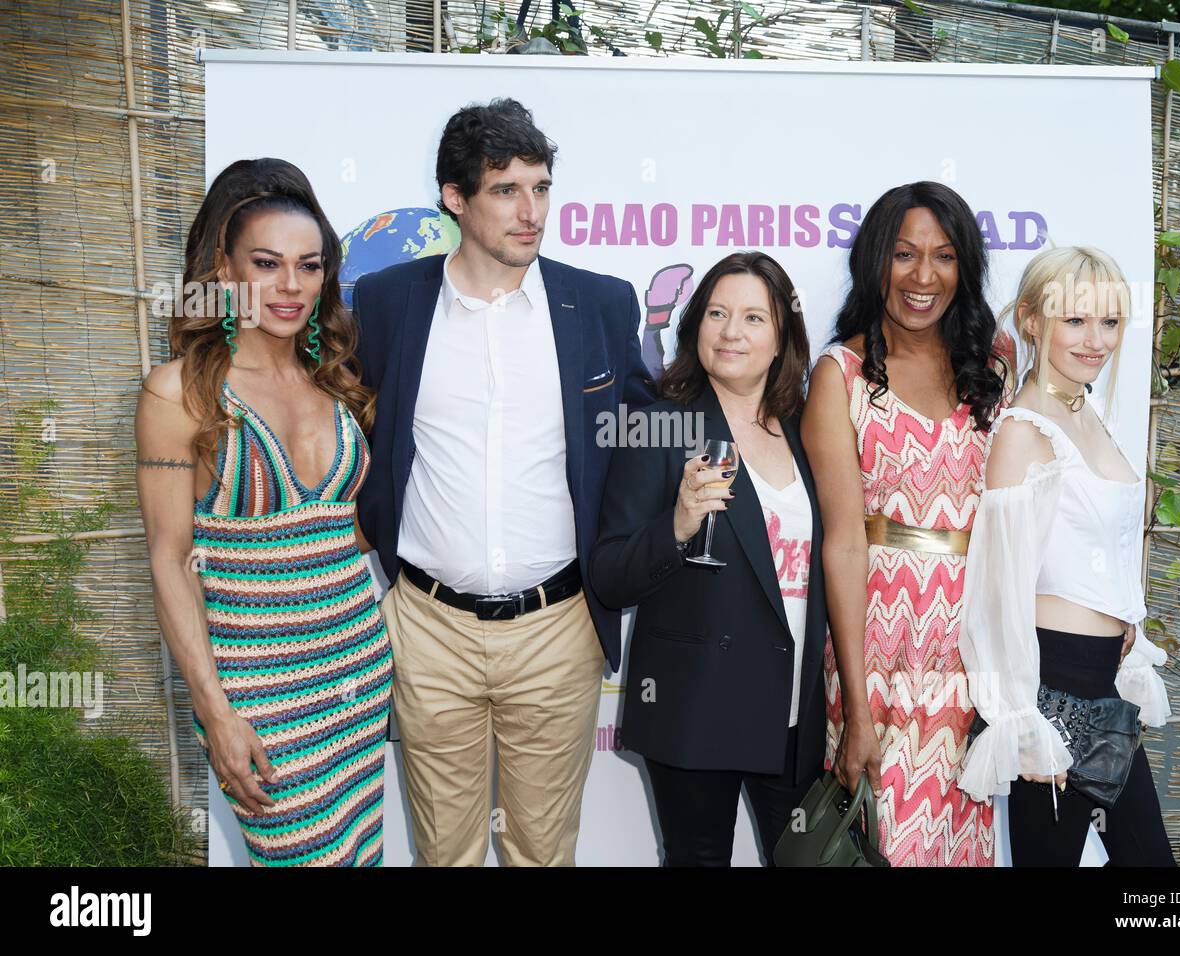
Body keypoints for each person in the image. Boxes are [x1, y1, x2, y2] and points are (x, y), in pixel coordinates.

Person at [353, 97, 656, 867]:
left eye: (542, 187)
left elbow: (646, 436)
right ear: (454, 199)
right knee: (444, 853)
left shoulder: (600, 304)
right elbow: (347, 424)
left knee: (541, 853)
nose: (531, 212)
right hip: (428, 628)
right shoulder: (389, 303)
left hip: (557, 629)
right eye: (506, 190)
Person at [136, 160, 392, 866]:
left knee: (361, 854)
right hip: (258, 696)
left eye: (308, 266)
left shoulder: (334, 381)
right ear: (222, 268)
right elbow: (168, 560)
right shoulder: (178, 395)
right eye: (267, 263)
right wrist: (215, 713)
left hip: (358, 669)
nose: (290, 286)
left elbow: (343, 533)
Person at [802, 181, 1016, 866]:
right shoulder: (840, 374)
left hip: (971, 652)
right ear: (875, 263)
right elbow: (841, 544)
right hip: (880, 652)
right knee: (884, 841)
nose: (924, 276)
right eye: (904, 255)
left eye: (945, 256)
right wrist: (857, 709)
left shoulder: (993, 363)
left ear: (966, 267)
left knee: (961, 839)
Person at [590, 251, 825, 866]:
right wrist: (677, 523)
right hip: (696, 704)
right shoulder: (657, 427)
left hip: (797, 707)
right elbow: (611, 577)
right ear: (694, 326)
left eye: (753, 317)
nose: (730, 331)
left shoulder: (814, 430)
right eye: (717, 313)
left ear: (782, 338)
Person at [956, 245, 1175, 866]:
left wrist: (1125, 616)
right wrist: (1021, 723)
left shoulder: (1092, 415)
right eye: (1075, 320)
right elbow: (996, 592)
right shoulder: (1025, 432)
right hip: (1051, 688)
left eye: (1108, 321)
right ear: (1031, 319)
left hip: (1102, 680)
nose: (1096, 340)